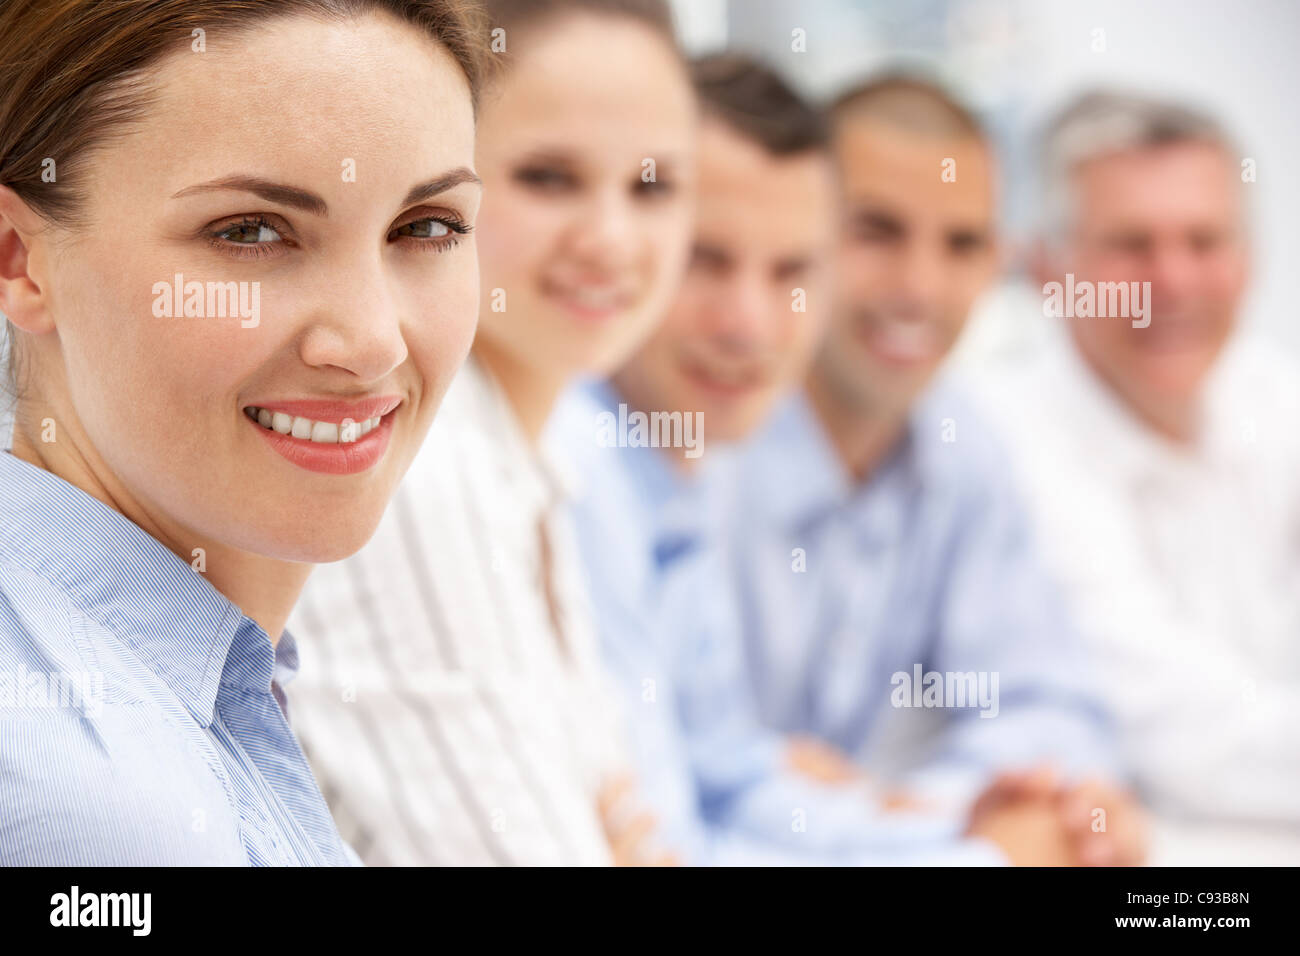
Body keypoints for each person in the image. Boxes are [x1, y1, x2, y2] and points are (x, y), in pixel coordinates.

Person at [0, 0, 485, 865]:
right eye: (251, 232)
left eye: (427, 227)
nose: (373, 341)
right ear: (17, 257)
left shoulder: (185, 693)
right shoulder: (100, 813)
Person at [554, 55, 1053, 865]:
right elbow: (668, 850)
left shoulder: (681, 459)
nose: (748, 324)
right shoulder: (580, 466)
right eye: (705, 260)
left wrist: (947, 827)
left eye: (792, 272)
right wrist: (987, 860)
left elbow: (729, 780)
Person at [287, 0, 698, 865]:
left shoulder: (536, 455)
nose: (612, 239)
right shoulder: (422, 472)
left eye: (653, 184)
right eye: (550, 177)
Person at [723, 74, 1146, 865]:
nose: (920, 287)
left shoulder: (965, 449)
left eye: (961, 245)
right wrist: (903, 816)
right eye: (877, 231)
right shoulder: (700, 440)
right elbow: (682, 784)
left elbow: (1055, 709)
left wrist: (942, 804)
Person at [975, 91, 1300, 826]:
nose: (1173, 283)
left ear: (1249, 261)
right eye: (1130, 246)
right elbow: (1186, 739)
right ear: (1046, 272)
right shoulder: (1003, 444)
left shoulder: (1273, 396)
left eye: (1204, 241)